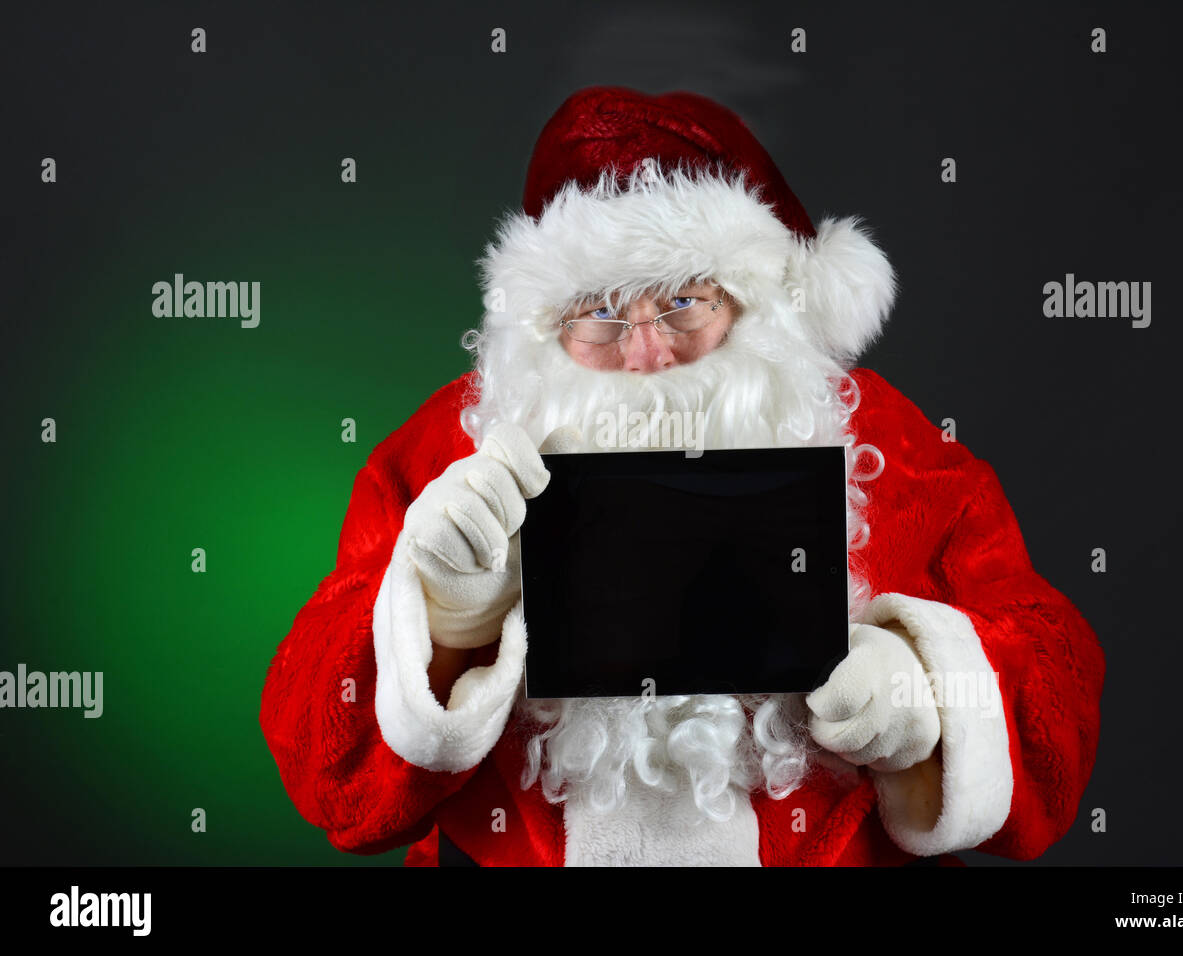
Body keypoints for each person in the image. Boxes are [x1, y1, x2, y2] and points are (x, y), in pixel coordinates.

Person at [259, 86, 1105, 866]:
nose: (644, 354)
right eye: (598, 313)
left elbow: (1056, 707)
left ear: (753, 304)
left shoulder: (885, 442)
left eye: (681, 302)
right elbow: (322, 767)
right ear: (542, 325)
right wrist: (446, 626)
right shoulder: (449, 447)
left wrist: (924, 695)